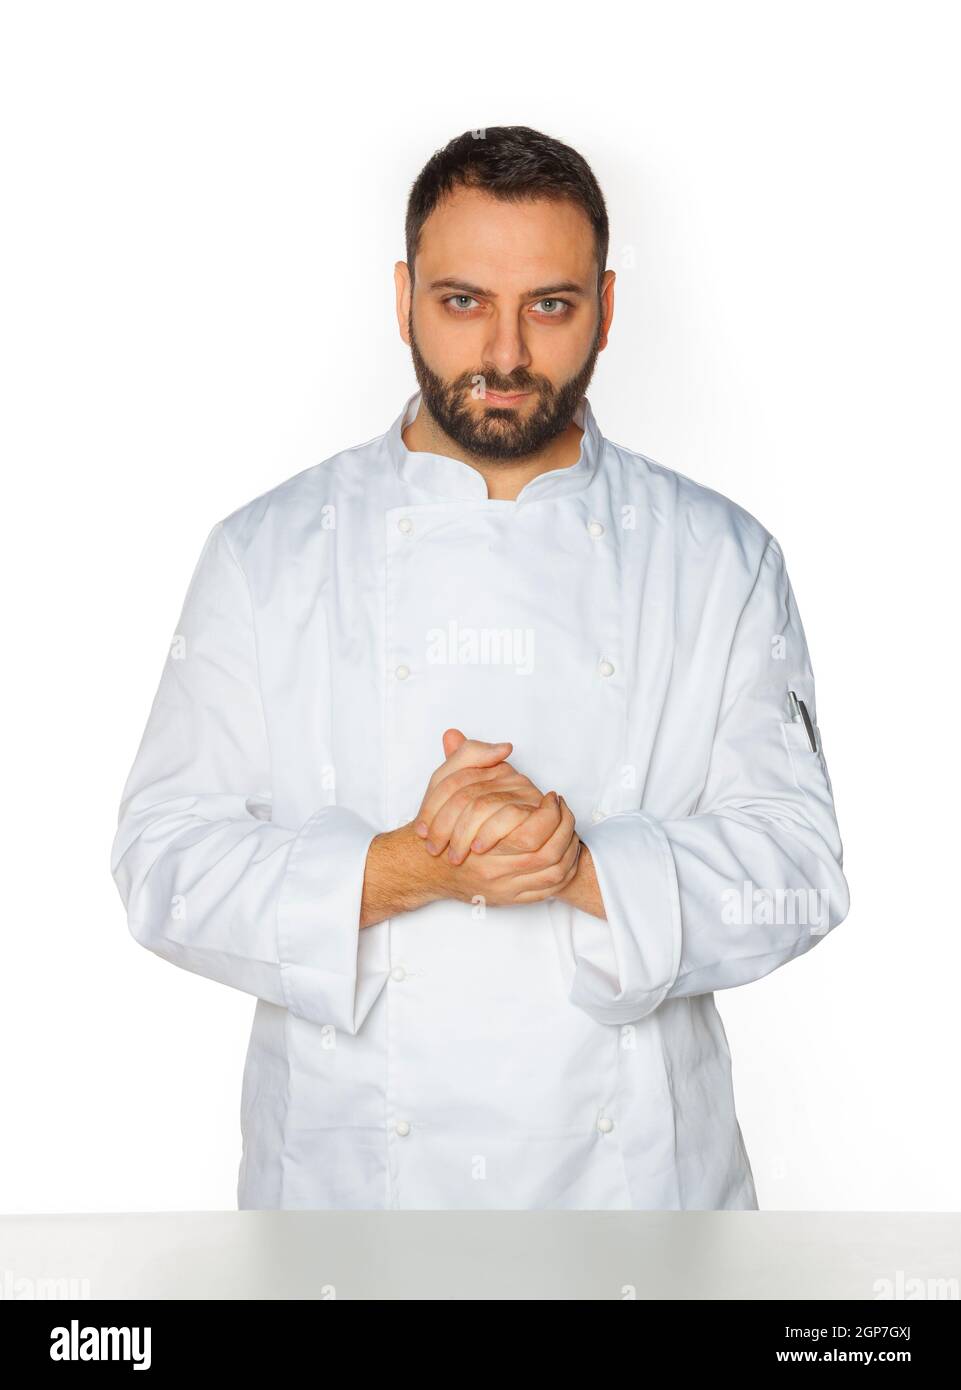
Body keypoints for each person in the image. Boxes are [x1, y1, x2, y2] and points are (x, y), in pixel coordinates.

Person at [110, 125, 849, 1210]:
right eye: (463, 301)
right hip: (349, 1201)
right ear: (404, 297)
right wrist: (411, 866)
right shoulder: (267, 552)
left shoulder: (721, 558)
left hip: (639, 1203)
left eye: (548, 305)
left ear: (605, 304)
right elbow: (162, 865)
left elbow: (800, 866)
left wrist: (576, 864)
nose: (504, 353)